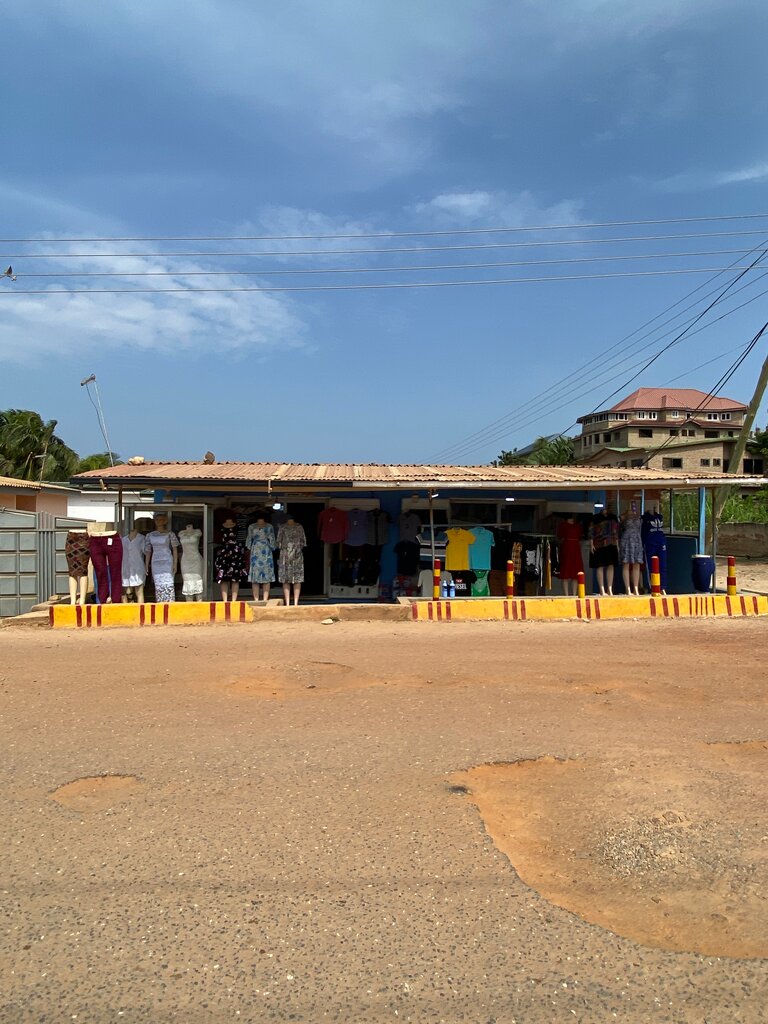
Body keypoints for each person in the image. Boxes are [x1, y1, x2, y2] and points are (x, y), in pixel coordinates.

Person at [145, 514, 179, 603]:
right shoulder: (150, 535)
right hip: (155, 562)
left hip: (167, 561)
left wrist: (175, 564)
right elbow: (148, 551)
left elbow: (175, 549)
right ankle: (160, 604)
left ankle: (170, 603)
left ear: (165, 521)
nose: (159, 521)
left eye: (161, 519)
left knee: (168, 583)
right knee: (158, 584)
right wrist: (146, 564)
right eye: (157, 519)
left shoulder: (170, 534)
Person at [589, 507, 619, 596]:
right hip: (599, 544)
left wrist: (617, 544)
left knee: (611, 565)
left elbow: (616, 532)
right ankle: (602, 590)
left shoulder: (613, 517)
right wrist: (591, 544)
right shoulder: (595, 518)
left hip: (612, 543)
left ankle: (609, 589)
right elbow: (591, 531)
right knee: (600, 566)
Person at [214, 517, 246, 602]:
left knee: (235, 578)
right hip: (223, 554)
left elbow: (242, 540)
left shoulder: (238, 528)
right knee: (223, 579)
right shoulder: (220, 529)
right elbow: (217, 540)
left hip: (235, 554)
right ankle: (224, 600)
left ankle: (234, 599)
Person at [277, 516, 306, 606]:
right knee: (285, 579)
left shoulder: (299, 527)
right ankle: (288, 602)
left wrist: (296, 549)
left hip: (297, 555)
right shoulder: (282, 527)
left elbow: (303, 541)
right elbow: (278, 542)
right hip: (285, 555)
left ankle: (296, 602)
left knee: (297, 579)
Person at [246, 515, 276, 602]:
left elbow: (272, 539)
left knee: (267, 574)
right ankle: (256, 599)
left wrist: (273, 547)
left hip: (266, 550)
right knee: (255, 576)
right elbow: (249, 538)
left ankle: (265, 599)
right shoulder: (251, 526)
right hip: (255, 550)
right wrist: (248, 547)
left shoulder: (269, 526)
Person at [620, 504, 644, 597]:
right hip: (627, 540)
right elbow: (621, 524)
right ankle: (628, 588)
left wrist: (635, 513)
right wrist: (627, 513)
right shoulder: (624, 517)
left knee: (637, 564)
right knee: (626, 564)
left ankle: (636, 588)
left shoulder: (638, 517)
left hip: (637, 540)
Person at [556, 516, 583, 597]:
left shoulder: (578, 526)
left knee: (576, 573)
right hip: (567, 548)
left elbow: (580, 536)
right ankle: (566, 595)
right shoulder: (563, 525)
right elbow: (560, 535)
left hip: (576, 549)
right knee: (566, 572)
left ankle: (574, 594)